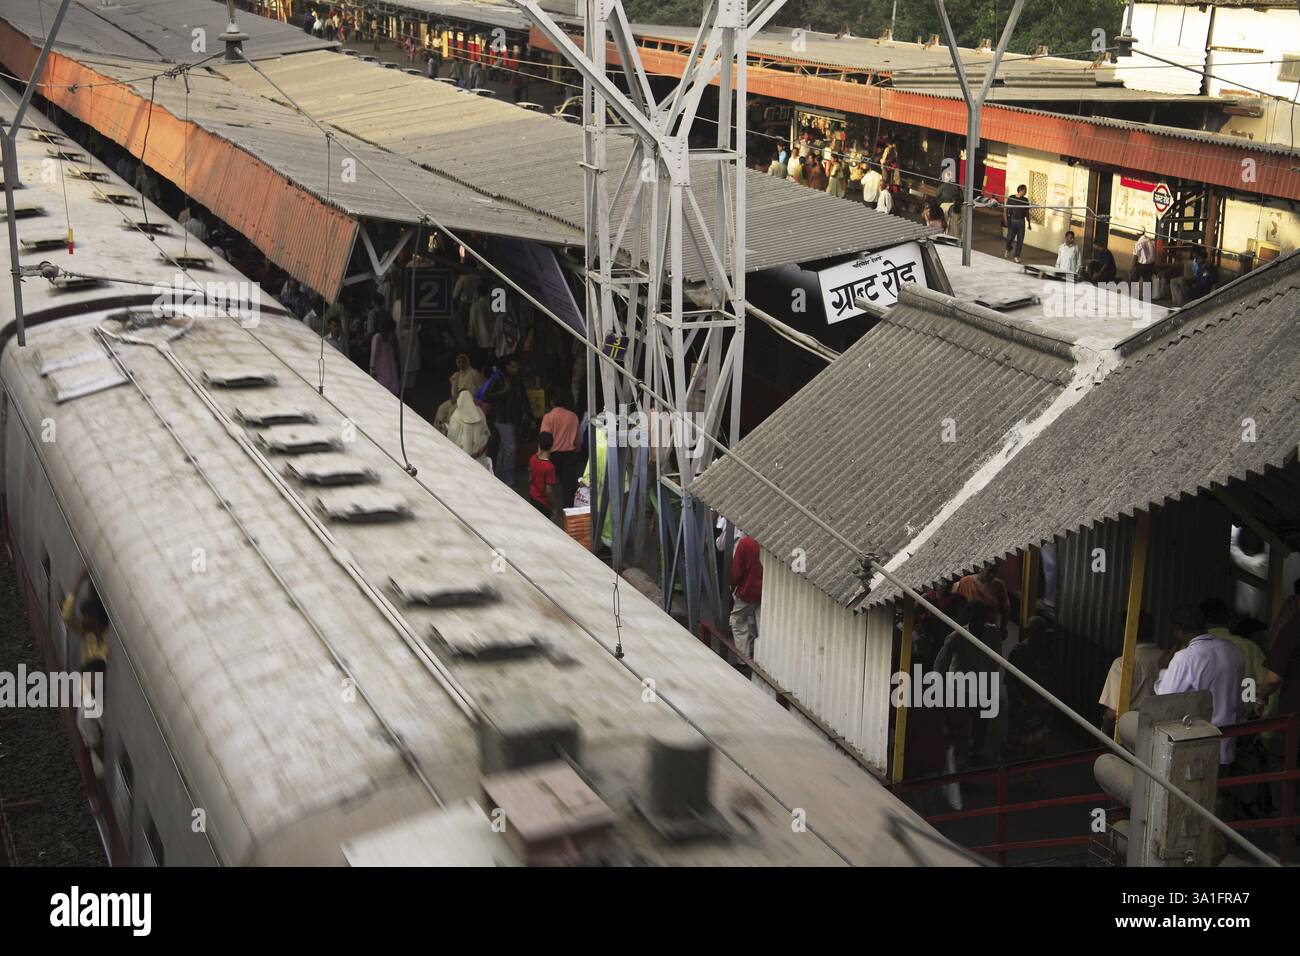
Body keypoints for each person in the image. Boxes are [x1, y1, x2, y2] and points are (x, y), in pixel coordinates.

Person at [1155, 605, 1245, 767]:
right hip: (1228, 745)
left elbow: (1165, 700)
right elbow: (1242, 697)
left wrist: (1163, 670)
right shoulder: (1232, 650)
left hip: (1199, 752)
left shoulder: (1185, 658)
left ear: (1178, 630)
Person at [1098, 610, 1171, 737]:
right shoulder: (1169, 659)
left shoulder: (1123, 663)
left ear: (1125, 631)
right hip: (1163, 732)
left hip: (1132, 735)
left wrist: (1103, 729)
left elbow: (1114, 712)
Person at [1004, 616, 1055, 762]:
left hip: (1038, 703)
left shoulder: (1047, 652)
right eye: (1037, 632)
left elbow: (1051, 675)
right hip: (1022, 704)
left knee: (1036, 738)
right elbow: (1010, 681)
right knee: (1017, 740)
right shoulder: (1018, 652)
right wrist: (1021, 702)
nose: (1040, 636)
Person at [488, 357, 530, 486]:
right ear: (506, 366)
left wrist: (528, 414)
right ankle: (507, 479)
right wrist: (503, 392)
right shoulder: (499, 379)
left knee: (504, 448)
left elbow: (523, 397)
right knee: (510, 448)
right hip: (502, 418)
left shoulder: (517, 379)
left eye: (517, 366)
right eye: (513, 366)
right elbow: (487, 396)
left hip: (511, 418)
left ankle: (500, 476)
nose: (516, 369)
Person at [540, 391, 580, 508]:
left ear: (552, 402)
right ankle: (568, 512)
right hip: (570, 454)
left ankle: (548, 509)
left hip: (552, 455)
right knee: (569, 487)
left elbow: (544, 437)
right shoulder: (573, 416)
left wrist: (540, 455)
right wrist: (577, 449)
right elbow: (577, 438)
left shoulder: (548, 417)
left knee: (547, 485)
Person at [63, 569, 109, 665]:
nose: (83, 620)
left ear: (94, 618)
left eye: (86, 617)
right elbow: (67, 617)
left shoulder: (106, 639)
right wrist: (79, 582)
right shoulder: (89, 632)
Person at [729, 532, 762, 662]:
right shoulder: (765, 543)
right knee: (753, 619)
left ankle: (743, 659)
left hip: (748, 590)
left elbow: (736, 572)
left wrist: (732, 585)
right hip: (764, 590)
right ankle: (754, 649)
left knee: (737, 620)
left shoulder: (745, 543)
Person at [953, 566, 1009, 634]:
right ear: (981, 568)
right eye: (989, 571)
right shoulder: (966, 582)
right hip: (968, 629)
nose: (992, 575)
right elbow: (957, 604)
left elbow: (1006, 609)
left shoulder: (999, 585)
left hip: (988, 629)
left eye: (994, 572)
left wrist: (1002, 629)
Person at [446, 389, 491, 467]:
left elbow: (451, 439)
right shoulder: (480, 412)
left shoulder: (456, 416)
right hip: (479, 459)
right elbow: (486, 433)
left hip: (460, 460)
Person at [529, 432, 564, 522]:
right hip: (543, 503)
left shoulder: (532, 459)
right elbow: (549, 491)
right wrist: (554, 507)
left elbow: (530, 478)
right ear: (552, 445)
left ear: (539, 444)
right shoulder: (549, 467)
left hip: (532, 497)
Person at [369, 316, 401, 396]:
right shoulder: (377, 337)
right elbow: (374, 354)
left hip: (390, 367)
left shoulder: (391, 338)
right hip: (380, 369)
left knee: (392, 388)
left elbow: (395, 353)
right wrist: (372, 370)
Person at [1003, 184, 1031, 263]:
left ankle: (1016, 256)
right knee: (1009, 239)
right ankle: (1008, 248)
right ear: (1020, 190)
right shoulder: (1011, 198)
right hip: (1012, 220)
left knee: (1020, 240)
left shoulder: (1025, 200)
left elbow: (1027, 212)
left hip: (1021, 221)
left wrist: (1029, 223)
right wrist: (1005, 220)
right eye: (1024, 190)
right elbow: (1005, 209)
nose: (1025, 192)